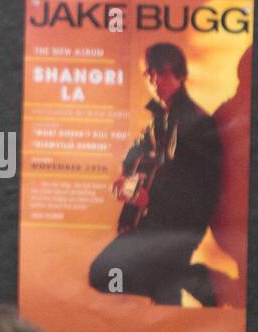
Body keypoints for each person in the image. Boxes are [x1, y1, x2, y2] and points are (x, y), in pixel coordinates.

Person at [88, 43, 221, 307]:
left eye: (160, 72)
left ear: (180, 75)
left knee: (106, 274)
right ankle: (186, 278)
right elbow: (134, 155)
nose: (153, 80)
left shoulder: (198, 124)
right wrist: (124, 180)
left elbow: (200, 188)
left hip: (179, 227)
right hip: (151, 222)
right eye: (148, 73)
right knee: (130, 284)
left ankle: (192, 277)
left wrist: (152, 198)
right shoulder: (158, 119)